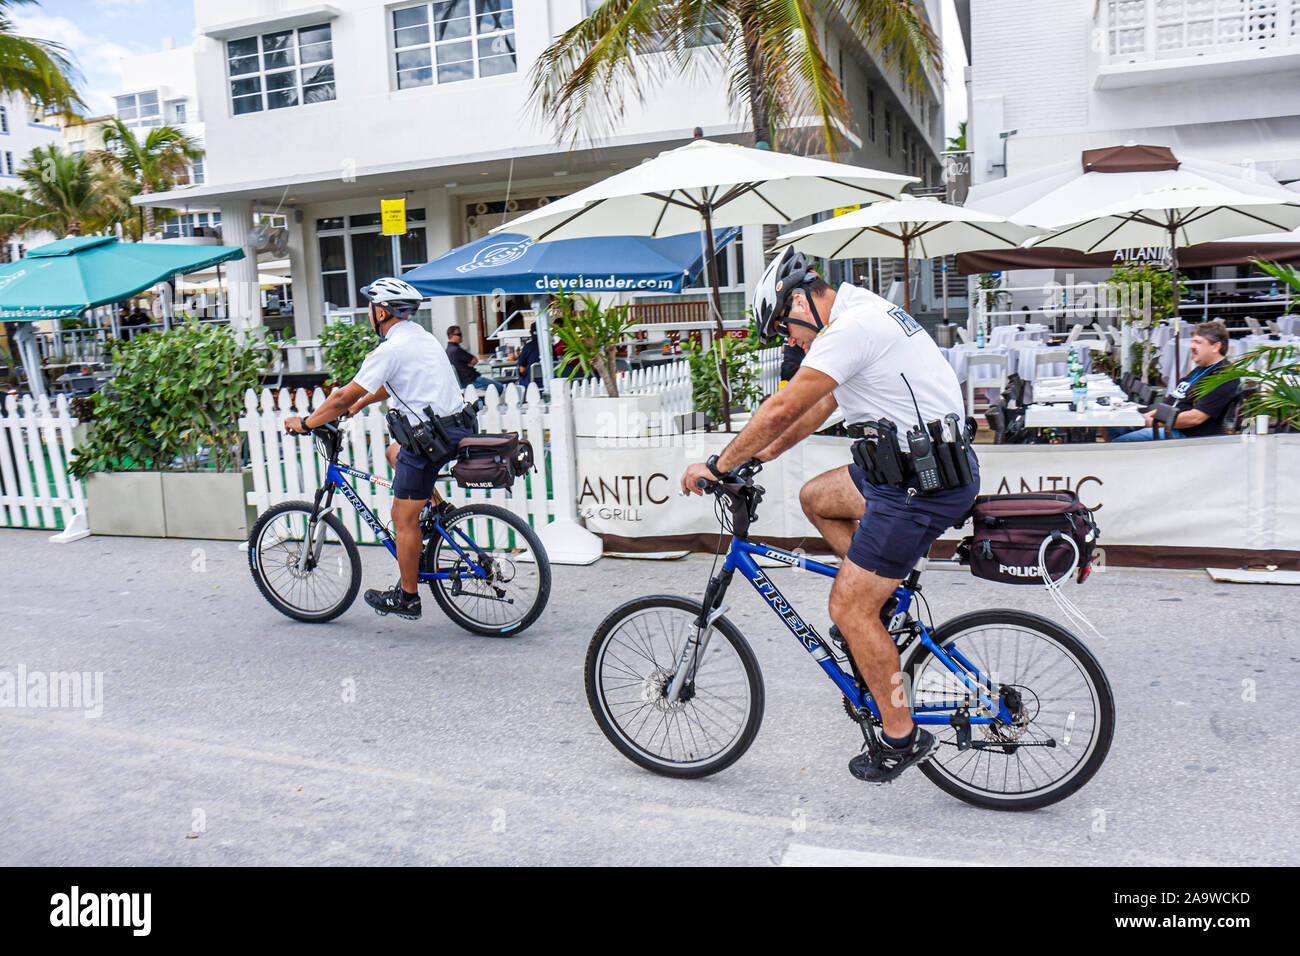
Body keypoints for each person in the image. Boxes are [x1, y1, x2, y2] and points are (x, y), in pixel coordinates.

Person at [680, 249, 979, 785]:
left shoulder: (850, 327)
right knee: (817, 497)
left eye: (783, 328)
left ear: (799, 299)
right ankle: (880, 601)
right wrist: (760, 456)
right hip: (908, 473)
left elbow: (783, 406)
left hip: (918, 488)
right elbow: (817, 407)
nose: (788, 341)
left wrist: (717, 465)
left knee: (847, 608)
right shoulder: (859, 312)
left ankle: (900, 735)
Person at [283, 277, 473, 621]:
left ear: (381, 311)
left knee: (402, 518)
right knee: (392, 453)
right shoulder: (422, 338)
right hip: (456, 427)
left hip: (429, 442)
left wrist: (308, 423)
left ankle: (407, 597)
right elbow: (387, 386)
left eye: (371, 308)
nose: (370, 314)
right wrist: (357, 407)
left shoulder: (390, 348)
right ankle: (439, 510)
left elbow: (341, 395)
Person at [1109, 321, 1239, 442]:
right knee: (1112, 424)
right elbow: (1172, 402)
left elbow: (1195, 417)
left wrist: (1153, 422)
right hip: (1166, 425)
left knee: (1117, 445)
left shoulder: (1223, 376)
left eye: (1198, 342)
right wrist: (1145, 417)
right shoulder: (1200, 369)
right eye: (1192, 342)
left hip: (1186, 435)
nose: (1192, 346)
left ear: (1216, 347)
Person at [445, 324, 499, 392]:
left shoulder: (448, 350)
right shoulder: (456, 350)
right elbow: (475, 360)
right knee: (499, 387)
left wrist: (468, 363)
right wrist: (469, 363)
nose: (461, 336)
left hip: (465, 381)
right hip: (471, 380)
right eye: (459, 334)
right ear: (451, 336)